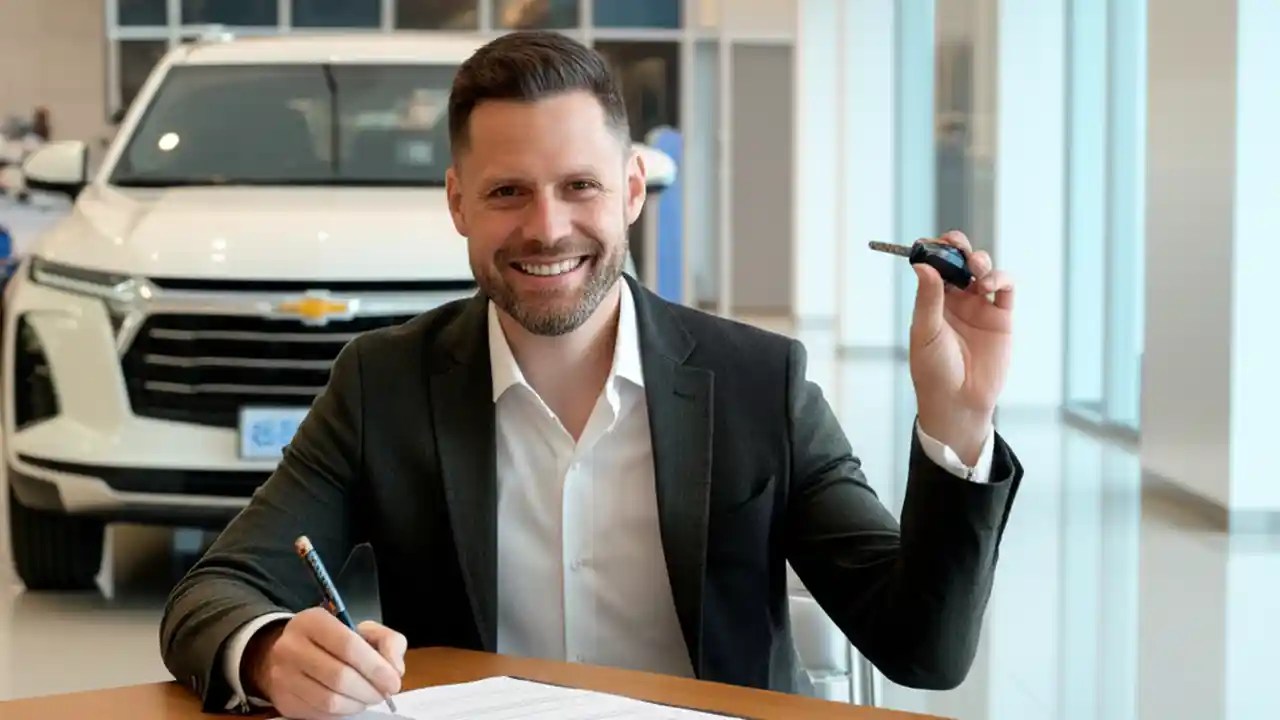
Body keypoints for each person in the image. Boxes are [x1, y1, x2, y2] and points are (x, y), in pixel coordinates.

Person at [159, 31, 1023, 718]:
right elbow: (214, 594)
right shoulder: (383, 384)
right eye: (507, 193)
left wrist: (957, 425)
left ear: (633, 190)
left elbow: (925, 652)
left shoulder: (761, 382)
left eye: (580, 185)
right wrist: (271, 653)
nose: (548, 227)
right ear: (457, 200)